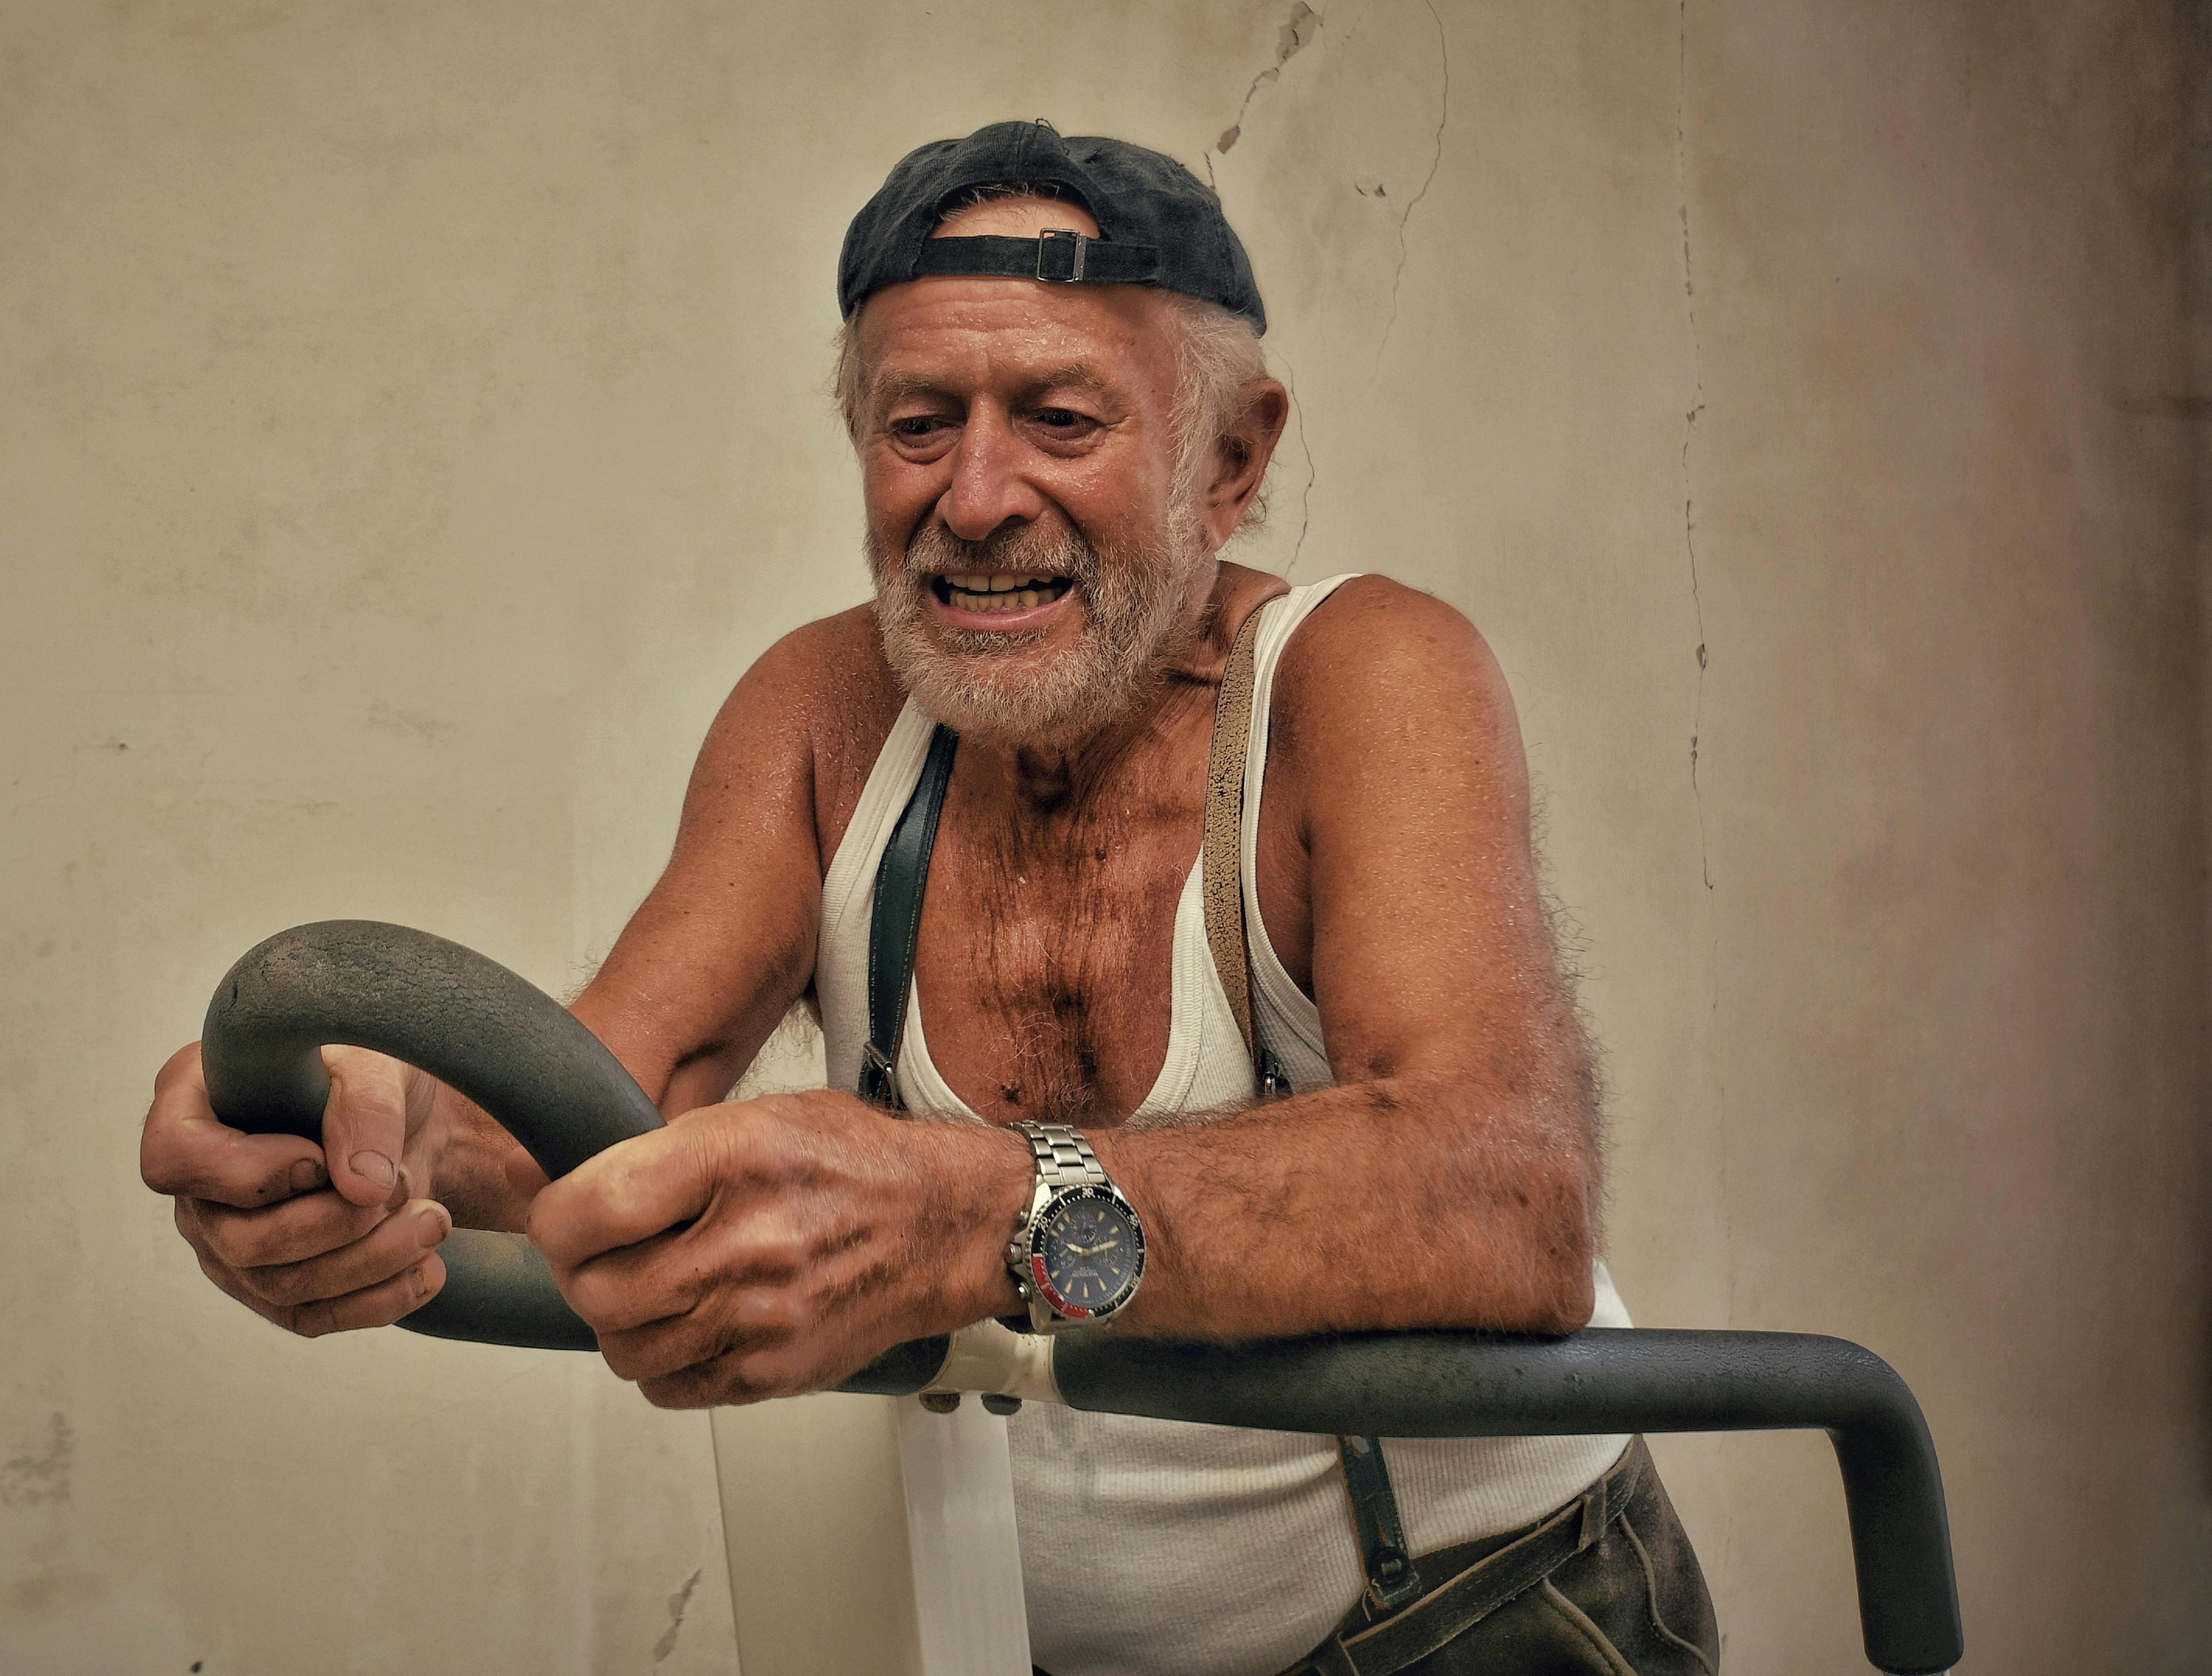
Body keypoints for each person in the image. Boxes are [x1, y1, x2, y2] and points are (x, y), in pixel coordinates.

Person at [141, 121, 1718, 1675]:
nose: (974, 498)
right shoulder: (828, 714)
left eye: (1059, 420)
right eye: (918, 426)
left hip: (1475, 1621)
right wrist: (372, 1139)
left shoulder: (1361, 675)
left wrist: (968, 1212)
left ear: (1229, 462)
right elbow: (609, 1095)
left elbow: (1503, 1196)